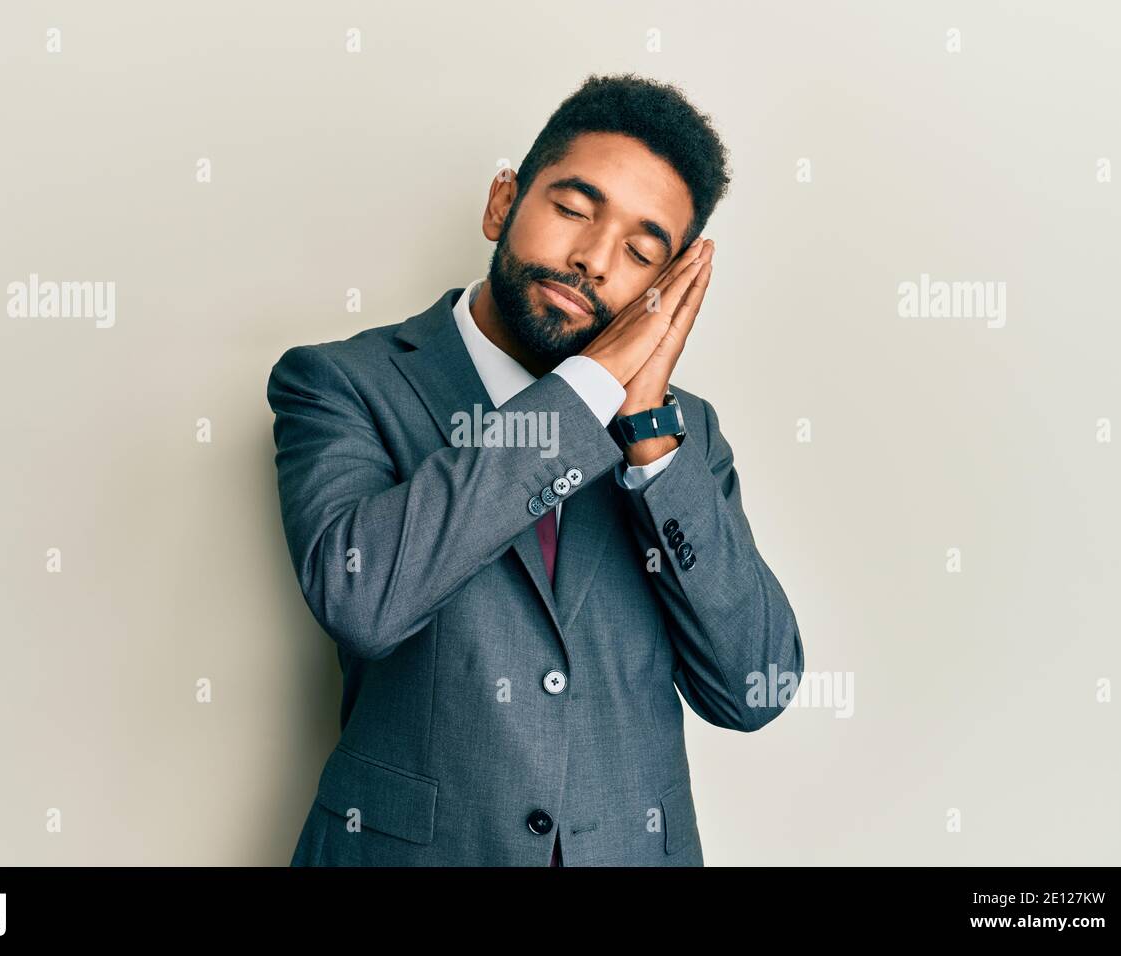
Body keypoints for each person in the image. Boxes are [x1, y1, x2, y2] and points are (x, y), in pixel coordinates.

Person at [267, 73, 803, 866]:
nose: (590, 259)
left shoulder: (683, 434)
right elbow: (363, 599)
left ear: (665, 285)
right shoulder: (341, 383)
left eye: (640, 251)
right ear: (502, 204)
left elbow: (755, 686)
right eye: (573, 210)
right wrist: (586, 391)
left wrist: (650, 437)